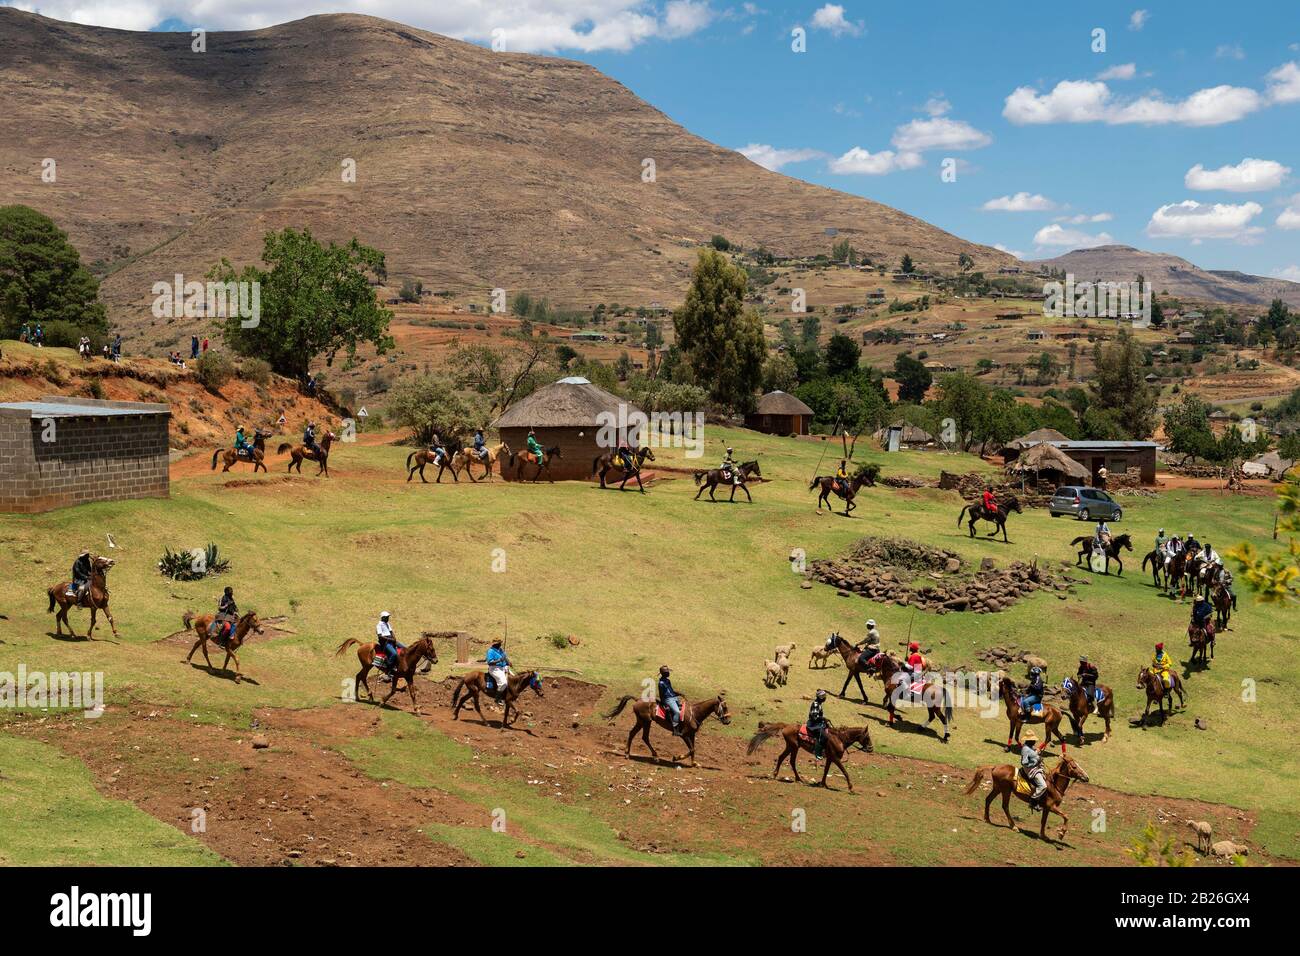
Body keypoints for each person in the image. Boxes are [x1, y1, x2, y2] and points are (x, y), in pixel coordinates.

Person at [1020, 730, 1048, 806]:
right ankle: (1033, 800)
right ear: (1029, 740)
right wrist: (1036, 762)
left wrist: (1037, 752)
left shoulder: (1030, 747)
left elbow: (1032, 754)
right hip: (1031, 770)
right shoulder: (1025, 749)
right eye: (1033, 740)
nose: (1035, 741)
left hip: (1036, 767)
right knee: (1043, 786)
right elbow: (1024, 762)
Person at [375, 612, 404, 681]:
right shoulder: (379, 625)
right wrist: (390, 639)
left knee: (404, 648)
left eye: (388, 617)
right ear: (383, 617)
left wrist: (394, 638)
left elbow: (391, 632)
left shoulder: (387, 623)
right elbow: (380, 636)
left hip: (392, 640)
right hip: (385, 642)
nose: (388, 618)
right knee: (394, 654)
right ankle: (389, 670)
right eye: (386, 617)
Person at [657, 665, 683, 734]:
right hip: (668, 700)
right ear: (664, 673)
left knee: (682, 708)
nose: (669, 673)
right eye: (667, 672)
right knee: (677, 712)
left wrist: (678, 693)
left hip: (674, 697)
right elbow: (661, 695)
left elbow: (670, 691)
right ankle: (675, 729)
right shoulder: (661, 683)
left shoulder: (668, 680)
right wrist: (664, 704)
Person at [807, 688, 830, 760]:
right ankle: (817, 753)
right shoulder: (816, 704)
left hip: (818, 722)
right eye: (824, 697)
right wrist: (823, 718)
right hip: (813, 724)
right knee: (822, 736)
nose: (825, 698)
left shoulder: (819, 703)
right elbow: (814, 716)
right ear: (821, 698)